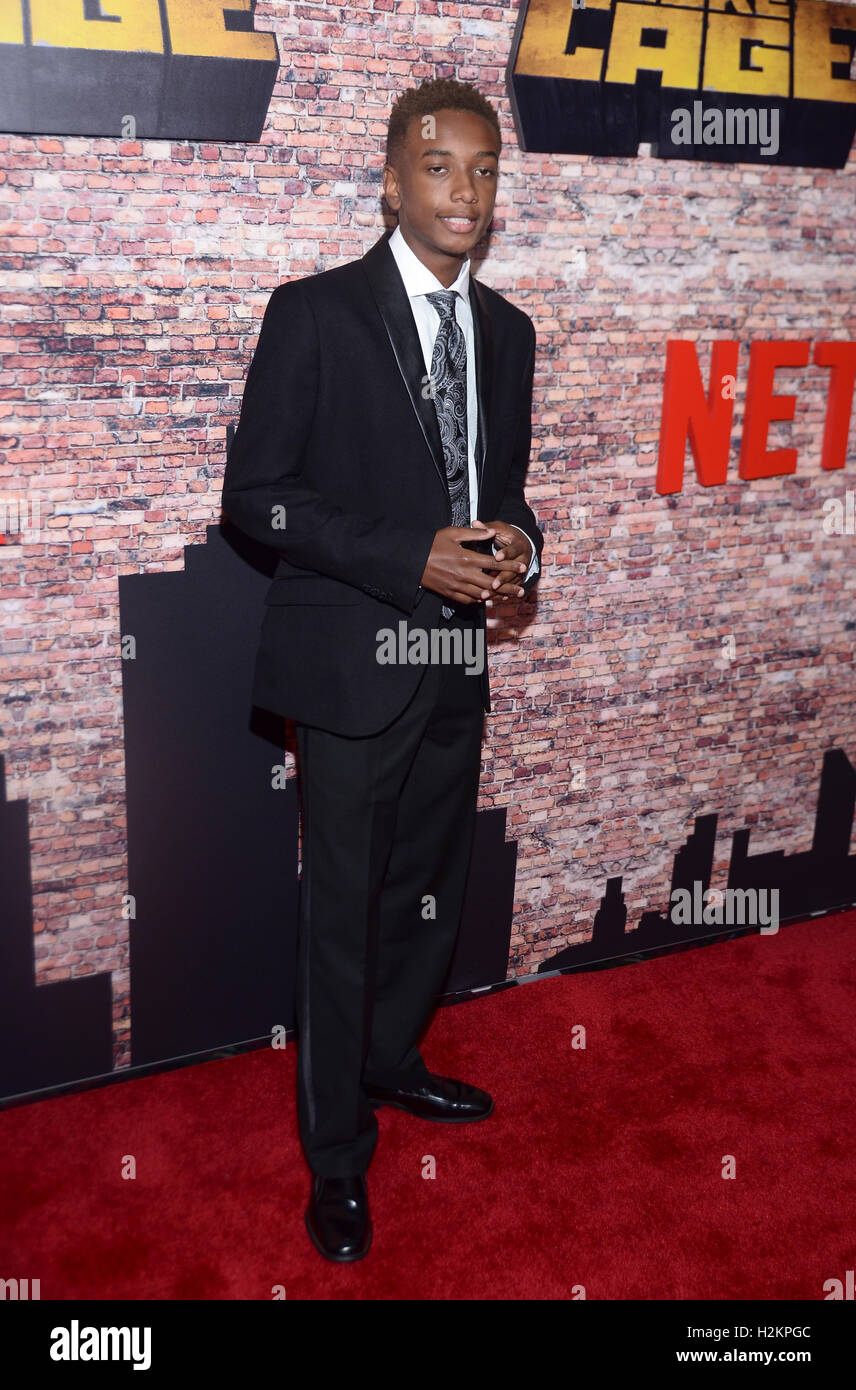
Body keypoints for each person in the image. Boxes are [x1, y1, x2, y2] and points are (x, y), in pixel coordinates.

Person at [221, 77, 543, 1262]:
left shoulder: (507, 332)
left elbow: (504, 491)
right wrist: (411, 555)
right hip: (352, 661)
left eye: (484, 169)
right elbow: (256, 498)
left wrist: (521, 549)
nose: (465, 190)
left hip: (456, 654)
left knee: (427, 886)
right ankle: (337, 1155)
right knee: (344, 914)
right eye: (440, 166)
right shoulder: (314, 313)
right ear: (394, 182)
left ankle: (394, 1058)